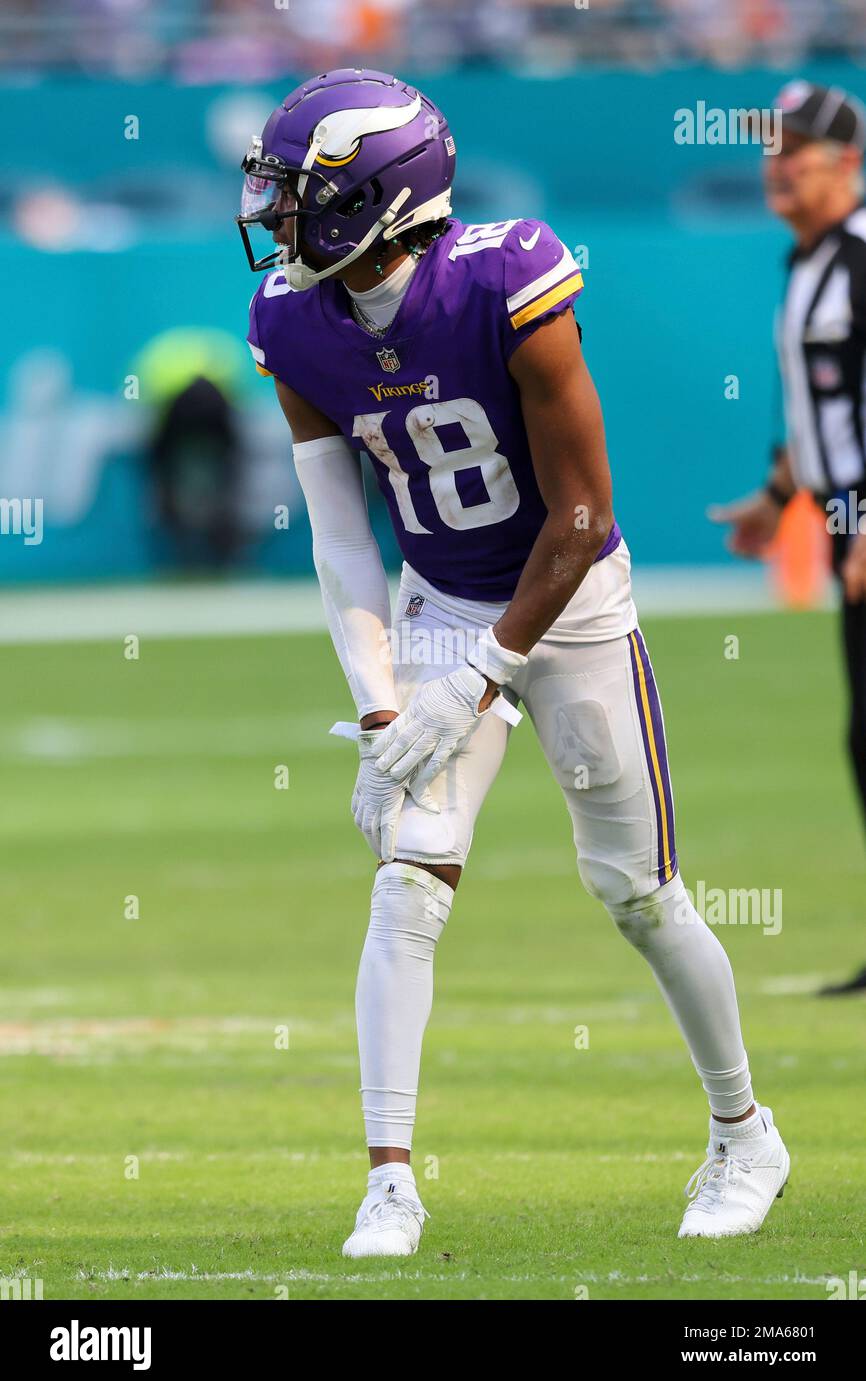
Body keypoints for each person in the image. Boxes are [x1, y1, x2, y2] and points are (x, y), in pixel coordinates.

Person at [239, 68, 789, 1256]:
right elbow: (340, 533)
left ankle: (743, 1133)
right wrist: (383, 705)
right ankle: (388, 1180)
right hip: (437, 598)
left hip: (570, 601)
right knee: (407, 877)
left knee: (635, 893)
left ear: (369, 198)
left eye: (297, 193)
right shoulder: (293, 322)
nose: (276, 218)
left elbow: (582, 513)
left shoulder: (505, 278)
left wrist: (481, 675)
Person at [712, 80, 866, 996]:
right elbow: (829, 408)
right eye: (770, 147)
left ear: (846, 160)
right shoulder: (808, 261)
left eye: (796, 148)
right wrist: (779, 495)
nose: (777, 164)